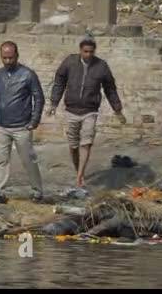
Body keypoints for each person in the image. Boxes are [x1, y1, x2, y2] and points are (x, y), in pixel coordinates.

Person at [48, 36, 126, 188]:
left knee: (86, 143)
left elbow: (110, 89)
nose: (88, 55)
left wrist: (118, 110)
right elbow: (59, 81)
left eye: (91, 52)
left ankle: (79, 177)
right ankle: (79, 171)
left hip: (90, 110)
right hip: (71, 110)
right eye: (85, 51)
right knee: (73, 145)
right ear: (80, 50)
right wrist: (53, 103)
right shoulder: (70, 62)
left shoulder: (101, 66)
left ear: (94, 51)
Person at [0, 41, 45, 204]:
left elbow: (38, 98)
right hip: (2, 126)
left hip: (22, 126)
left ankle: (37, 191)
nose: (8, 61)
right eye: (4, 58)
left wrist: (34, 121)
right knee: (0, 160)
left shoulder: (28, 75)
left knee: (28, 160)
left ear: (16, 56)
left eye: (10, 57)